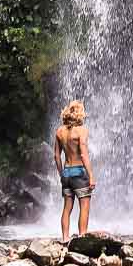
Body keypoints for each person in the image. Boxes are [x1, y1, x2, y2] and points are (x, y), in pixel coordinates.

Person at [54, 99, 96, 242]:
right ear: (80, 114)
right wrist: (91, 176)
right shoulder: (82, 131)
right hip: (78, 172)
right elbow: (84, 154)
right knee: (84, 205)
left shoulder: (59, 131)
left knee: (67, 207)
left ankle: (65, 239)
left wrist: (61, 174)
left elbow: (56, 156)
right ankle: (82, 237)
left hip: (66, 172)